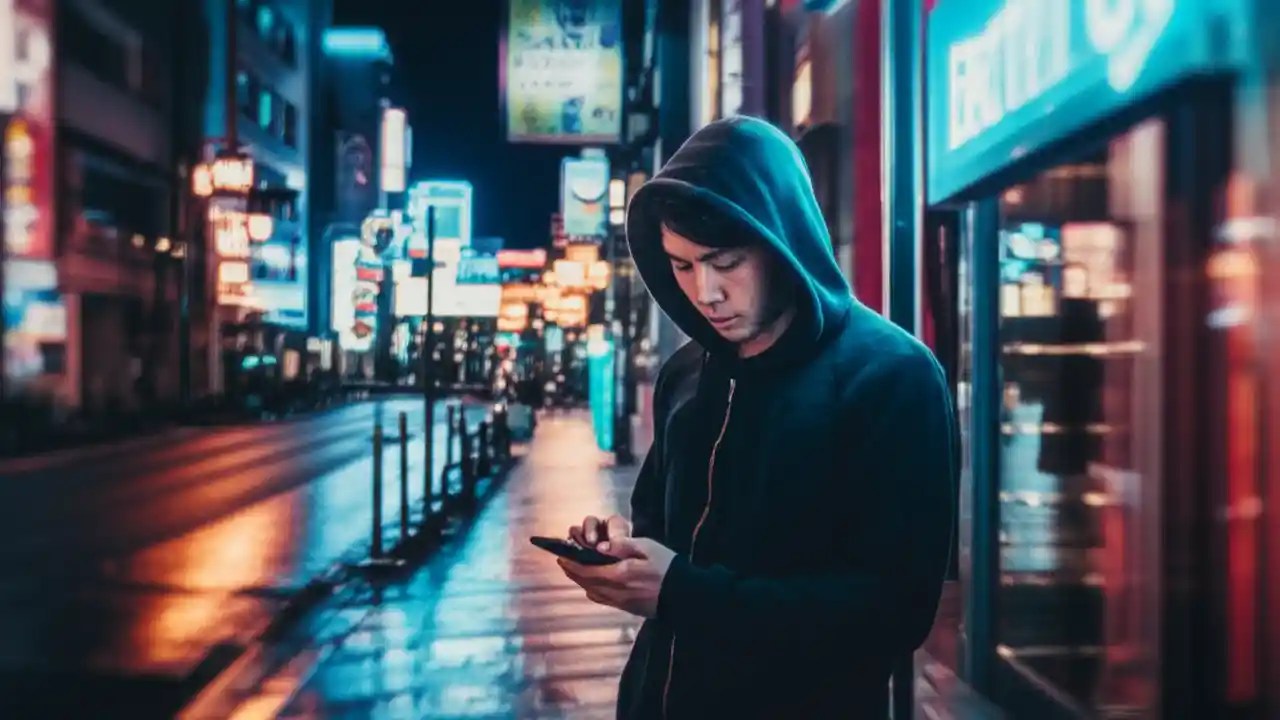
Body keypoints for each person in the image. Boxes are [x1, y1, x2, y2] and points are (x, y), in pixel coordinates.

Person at [556, 116, 956, 719]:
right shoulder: (686, 372)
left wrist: (681, 592)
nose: (705, 292)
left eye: (725, 262)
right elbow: (661, 530)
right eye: (683, 266)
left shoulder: (892, 375)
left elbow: (893, 612)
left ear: (782, 243)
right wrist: (621, 553)